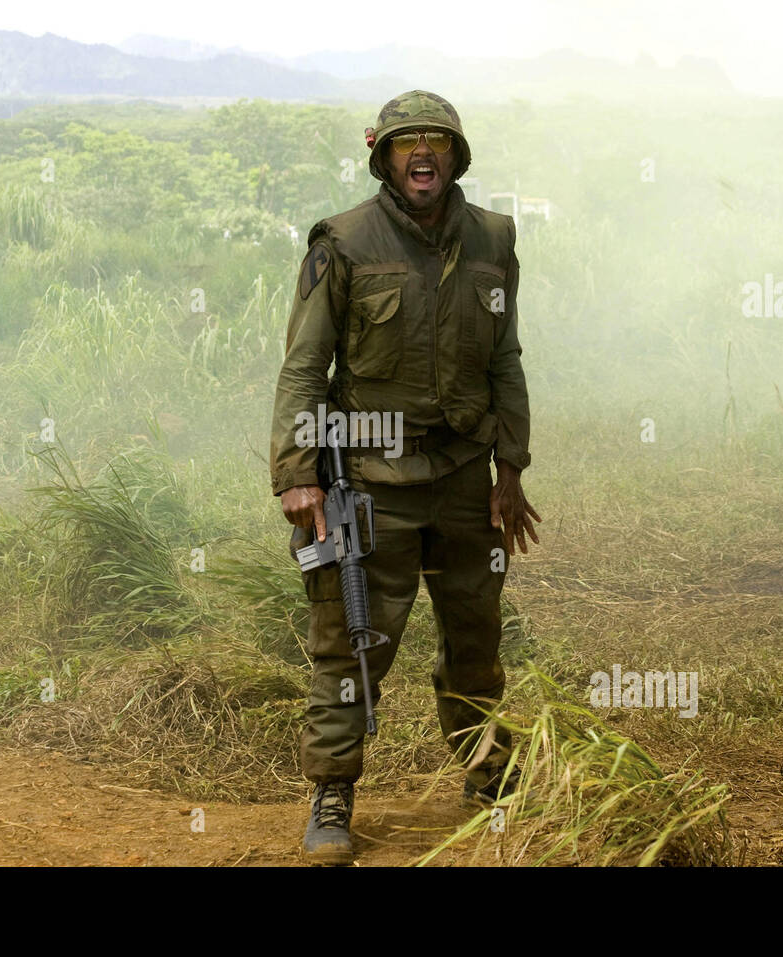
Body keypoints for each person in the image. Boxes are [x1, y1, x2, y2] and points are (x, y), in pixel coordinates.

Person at [269, 90, 540, 865]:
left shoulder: (494, 238)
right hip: (370, 481)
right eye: (405, 142)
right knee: (352, 643)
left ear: (456, 154)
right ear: (383, 155)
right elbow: (303, 368)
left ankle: (490, 772)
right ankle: (332, 795)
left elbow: (504, 359)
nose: (422, 153)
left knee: (477, 639)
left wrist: (510, 466)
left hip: (463, 477)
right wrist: (298, 473)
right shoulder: (344, 241)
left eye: (436, 141)